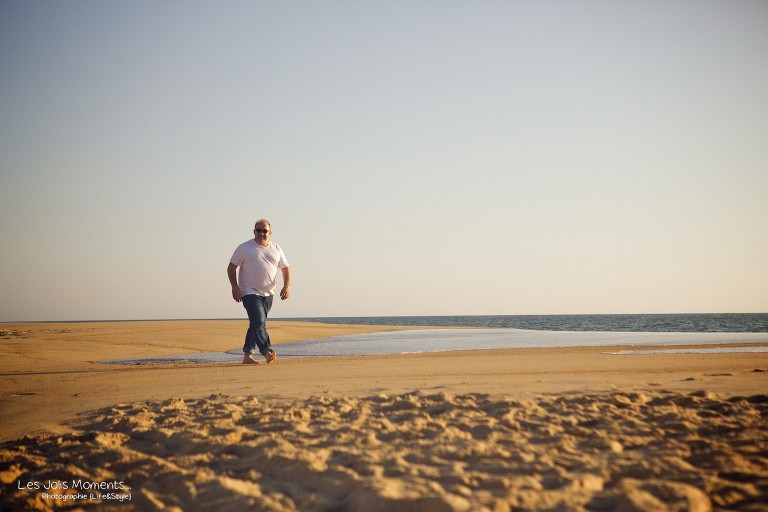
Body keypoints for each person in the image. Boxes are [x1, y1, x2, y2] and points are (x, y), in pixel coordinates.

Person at [227, 219, 291, 364]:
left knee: (256, 324)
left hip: (269, 293)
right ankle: (266, 350)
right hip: (249, 291)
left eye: (264, 231)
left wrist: (286, 286)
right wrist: (235, 287)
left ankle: (247, 355)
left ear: (270, 232)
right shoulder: (245, 248)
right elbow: (231, 268)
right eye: (258, 230)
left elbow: (286, 268)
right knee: (258, 322)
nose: (261, 233)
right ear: (254, 231)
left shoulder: (276, 249)